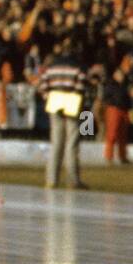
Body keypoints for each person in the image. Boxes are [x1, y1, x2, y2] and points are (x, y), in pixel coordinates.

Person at [40, 44, 88, 189]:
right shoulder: (77, 67)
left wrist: (48, 97)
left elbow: (43, 85)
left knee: (56, 142)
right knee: (71, 142)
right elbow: (81, 87)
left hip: (54, 101)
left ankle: (52, 179)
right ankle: (73, 180)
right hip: (71, 101)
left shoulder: (51, 67)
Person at [100, 64, 132, 165]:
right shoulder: (110, 85)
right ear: (115, 75)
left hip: (124, 110)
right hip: (113, 110)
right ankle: (109, 157)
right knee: (112, 134)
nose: (121, 76)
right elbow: (105, 98)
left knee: (123, 135)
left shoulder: (125, 85)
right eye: (119, 74)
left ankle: (123, 157)